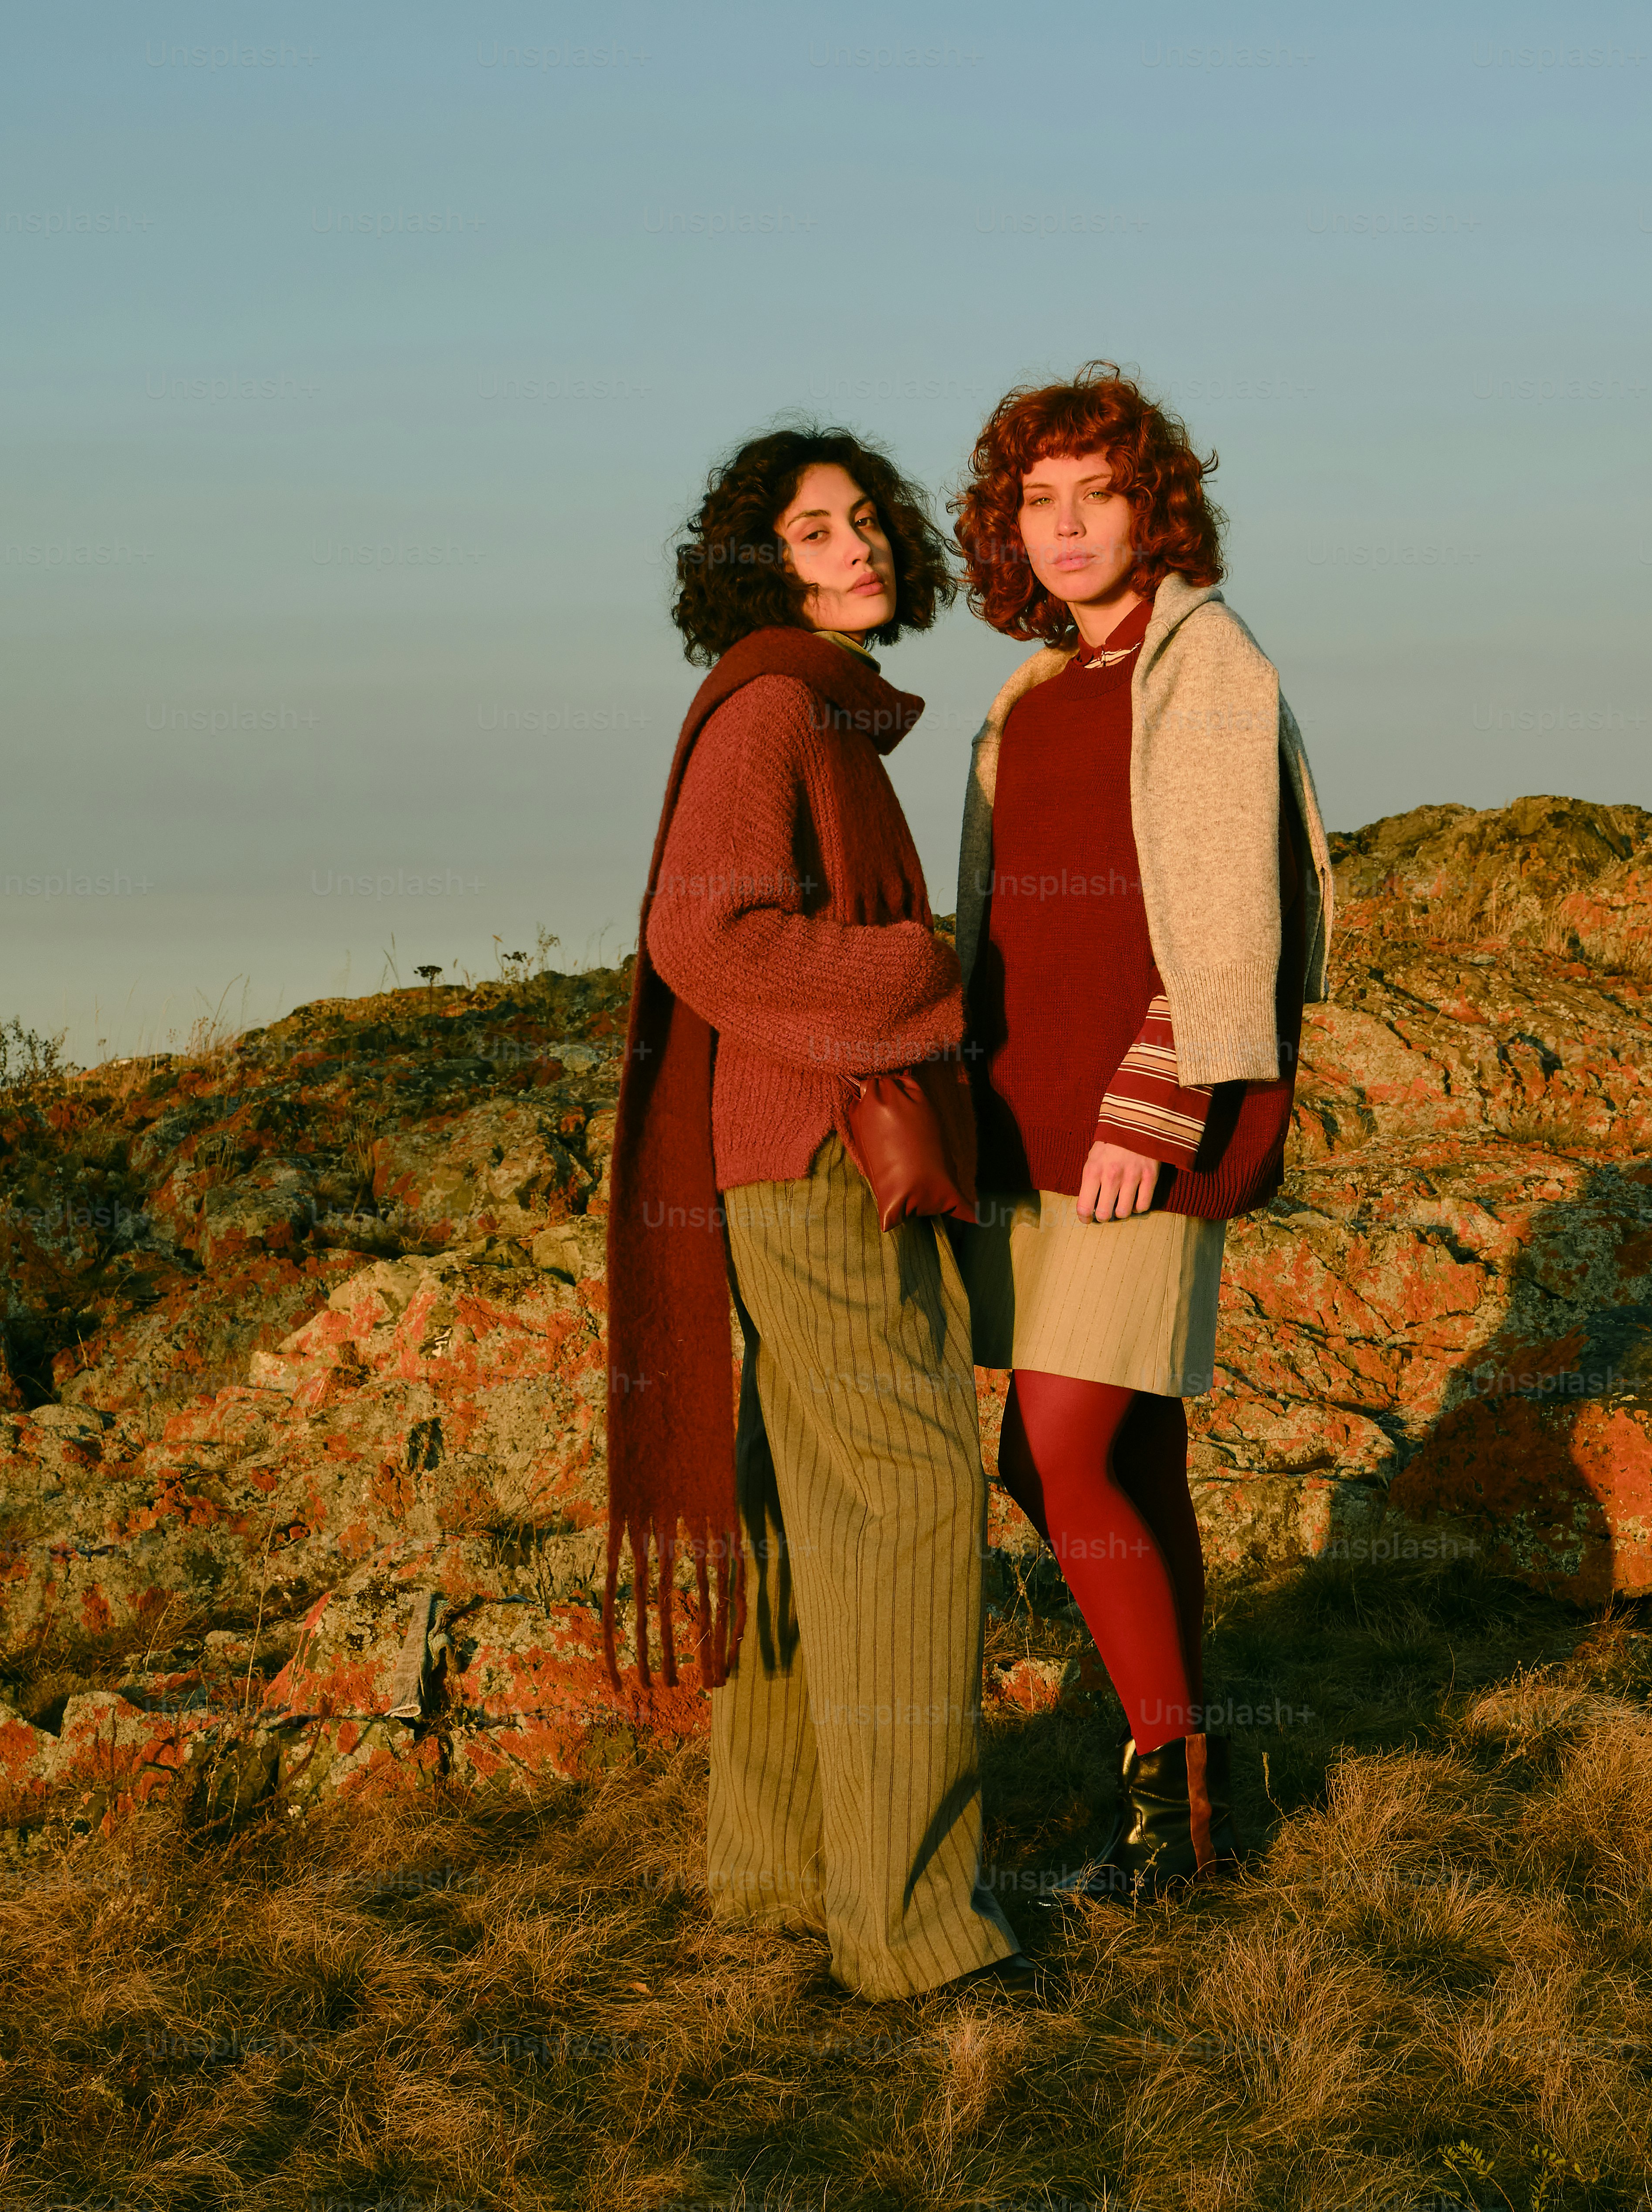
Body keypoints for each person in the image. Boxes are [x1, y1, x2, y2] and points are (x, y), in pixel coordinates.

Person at [604, 424, 1022, 1999]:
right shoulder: (776, 710)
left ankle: (781, 1871)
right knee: (911, 1497)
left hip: (787, 1161)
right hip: (825, 1159)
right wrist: (915, 970)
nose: (856, 552)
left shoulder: (811, 713)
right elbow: (704, 931)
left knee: (807, 1512)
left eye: (864, 525)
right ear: (754, 567)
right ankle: (915, 1933)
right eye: (812, 534)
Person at [947, 364, 1335, 1903]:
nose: (1064, 527)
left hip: (1132, 1128)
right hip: (1020, 1122)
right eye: (1034, 502)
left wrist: (1155, 1105)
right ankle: (1208, 1777)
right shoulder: (1032, 690)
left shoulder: (1205, 661)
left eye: (1094, 493)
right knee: (1121, 1451)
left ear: (1152, 503)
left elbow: (1234, 911)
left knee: (1059, 1449)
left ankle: (1165, 1810)